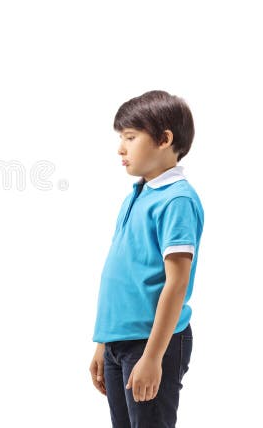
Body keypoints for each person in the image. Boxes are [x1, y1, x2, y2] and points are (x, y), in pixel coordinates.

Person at [89, 90, 204, 428]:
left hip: (152, 342)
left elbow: (177, 282)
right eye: (120, 137)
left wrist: (153, 356)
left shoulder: (176, 199)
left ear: (164, 139)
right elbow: (121, 274)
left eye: (130, 137)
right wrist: (103, 343)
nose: (120, 148)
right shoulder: (138, 194)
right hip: (119, 341)